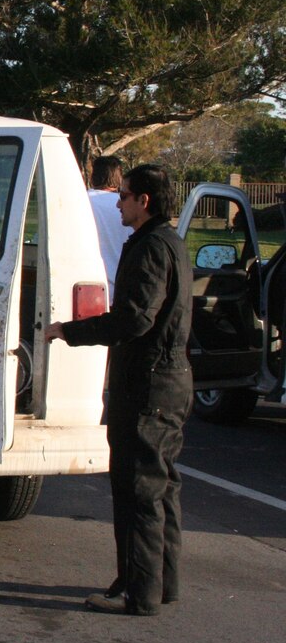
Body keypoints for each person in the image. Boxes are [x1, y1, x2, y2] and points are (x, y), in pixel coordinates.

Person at [45, 164, 192, 616]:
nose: (118, 202)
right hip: (170, 380)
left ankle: (136, 590)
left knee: (138, 488)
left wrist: (68, 331)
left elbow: (135, 318)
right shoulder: (172, 243)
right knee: (162, 485)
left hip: (147, 383)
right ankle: (161, 582)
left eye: (124, 195)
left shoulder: (150, 248)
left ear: (144, 200)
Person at [88, 155, 132, 302]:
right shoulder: (130, 206)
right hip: (120, 292)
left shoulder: (80, 200)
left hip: (85, 290)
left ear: (93, 176)